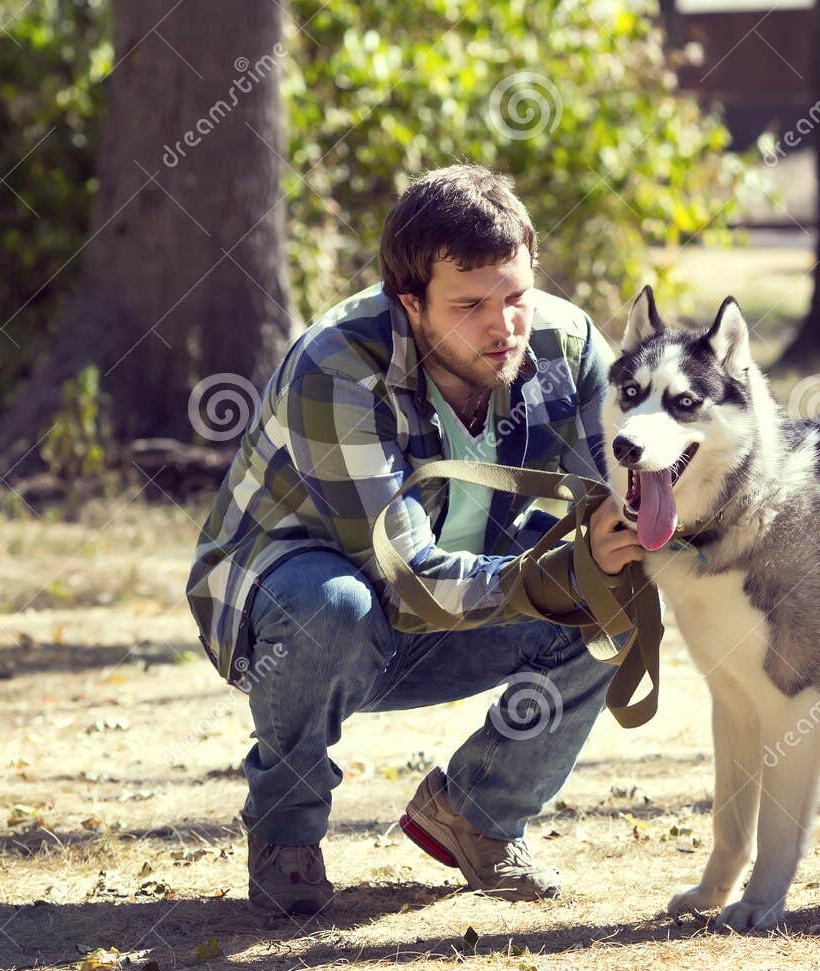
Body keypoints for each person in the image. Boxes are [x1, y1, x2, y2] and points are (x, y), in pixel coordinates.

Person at [185, 164, 643, 918]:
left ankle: (477, 814)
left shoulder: (565, 345)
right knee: (334, 604)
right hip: (294, 620)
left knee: (620, 585)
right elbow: (409, 579)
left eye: (517, 295)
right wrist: (561, 570)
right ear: (412, 304)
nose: (505, 326)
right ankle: (285, 832)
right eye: (470, 305)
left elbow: (617, 505)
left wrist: (626, 539)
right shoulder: (336, 364)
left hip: (451, 608)